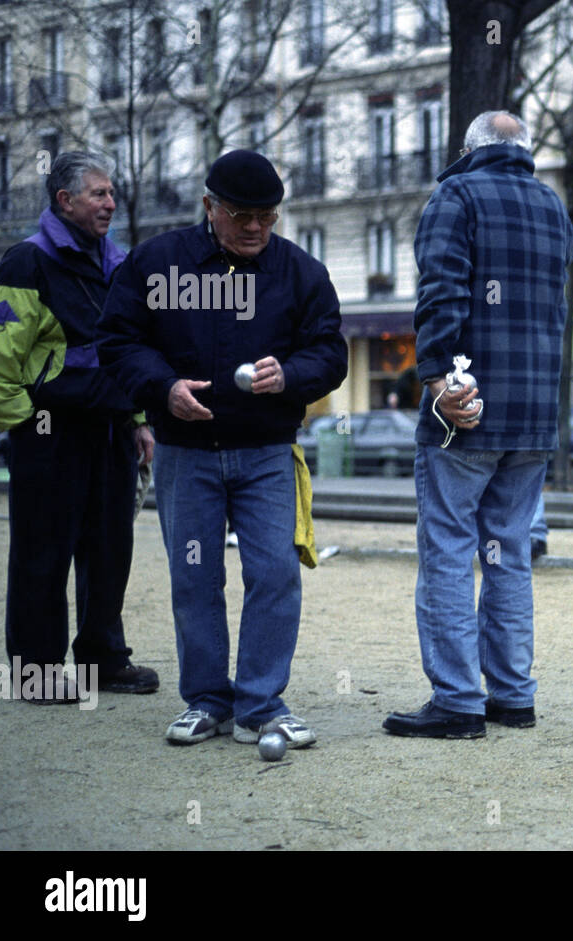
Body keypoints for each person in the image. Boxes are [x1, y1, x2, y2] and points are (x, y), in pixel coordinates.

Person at [98, 150, 347, 746]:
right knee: (194, 578)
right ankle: (207, 699)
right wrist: (163, 387)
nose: (255, 227)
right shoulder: (158, 264)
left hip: (267, 452)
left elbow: (330, 353)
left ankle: (262, 703)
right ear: (209, 207)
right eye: (241, 215)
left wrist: (289, 374)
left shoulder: (302, 273)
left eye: (267, 215)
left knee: (275, 573)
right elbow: (117, 339)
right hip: (185, 452)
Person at [383, 110, 573, 739]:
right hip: (533, 412)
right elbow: (553, 312)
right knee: (509, 553)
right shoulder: (553, 206)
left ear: (468, 149)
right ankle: (514, 695)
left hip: (466, 405)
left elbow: (441, 293)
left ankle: (459, 701)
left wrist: (436, 378)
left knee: (447, 551)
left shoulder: (456, 194)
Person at [0, 151, 158, 704]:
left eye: (112, 193)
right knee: (44, 552)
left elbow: (129, 350)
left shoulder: (118, 263)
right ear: (64, 201)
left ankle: (103, 660)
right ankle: (34, 673)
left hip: (110, 431)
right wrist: (26, 426)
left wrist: (138, 419)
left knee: (110, 549)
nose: (111, 203)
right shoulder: (25, 263)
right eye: (99, 194)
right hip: (50, 432)